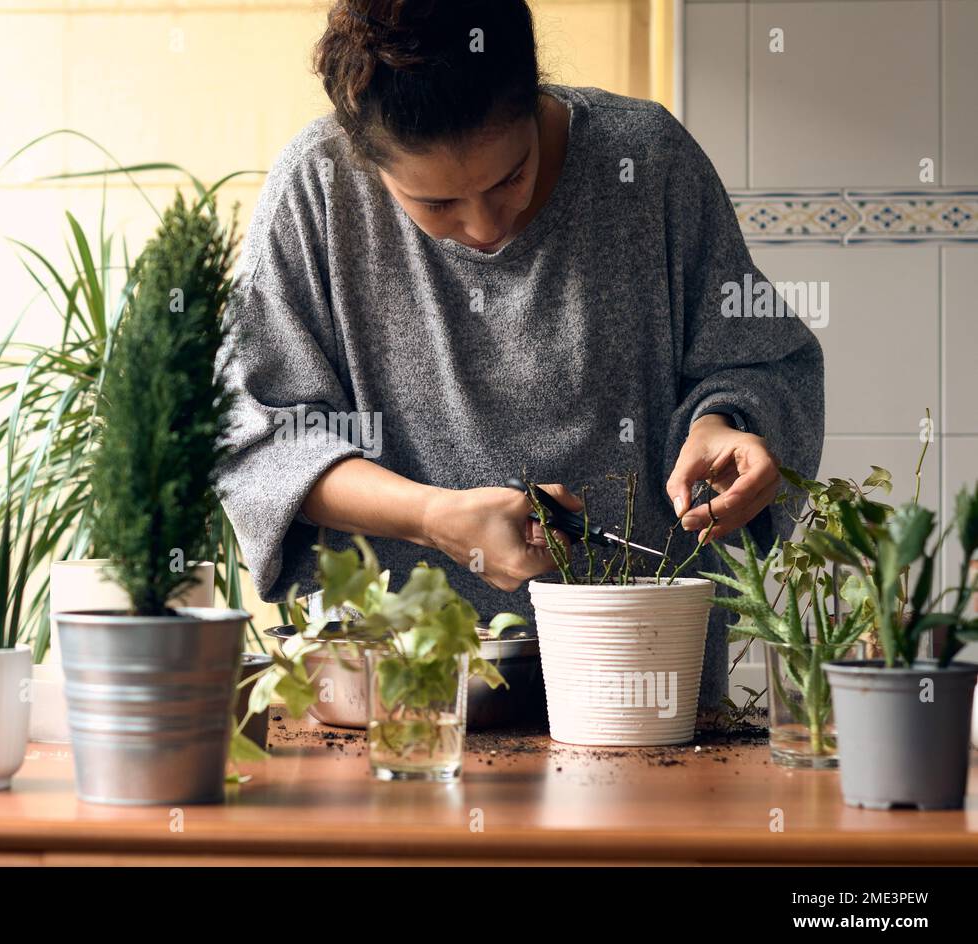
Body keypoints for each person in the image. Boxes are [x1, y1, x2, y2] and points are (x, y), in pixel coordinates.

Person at [216, 0, 823, 714]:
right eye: (436, 202)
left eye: (511, 178)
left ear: (537, 96)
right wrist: (430, 516)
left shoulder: (647, 159)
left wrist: (723, 424)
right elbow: (254, 441)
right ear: (366, 162)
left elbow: (759, 362)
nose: (481, 225)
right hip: (392, 703)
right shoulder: (315, 189)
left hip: (639, 692)